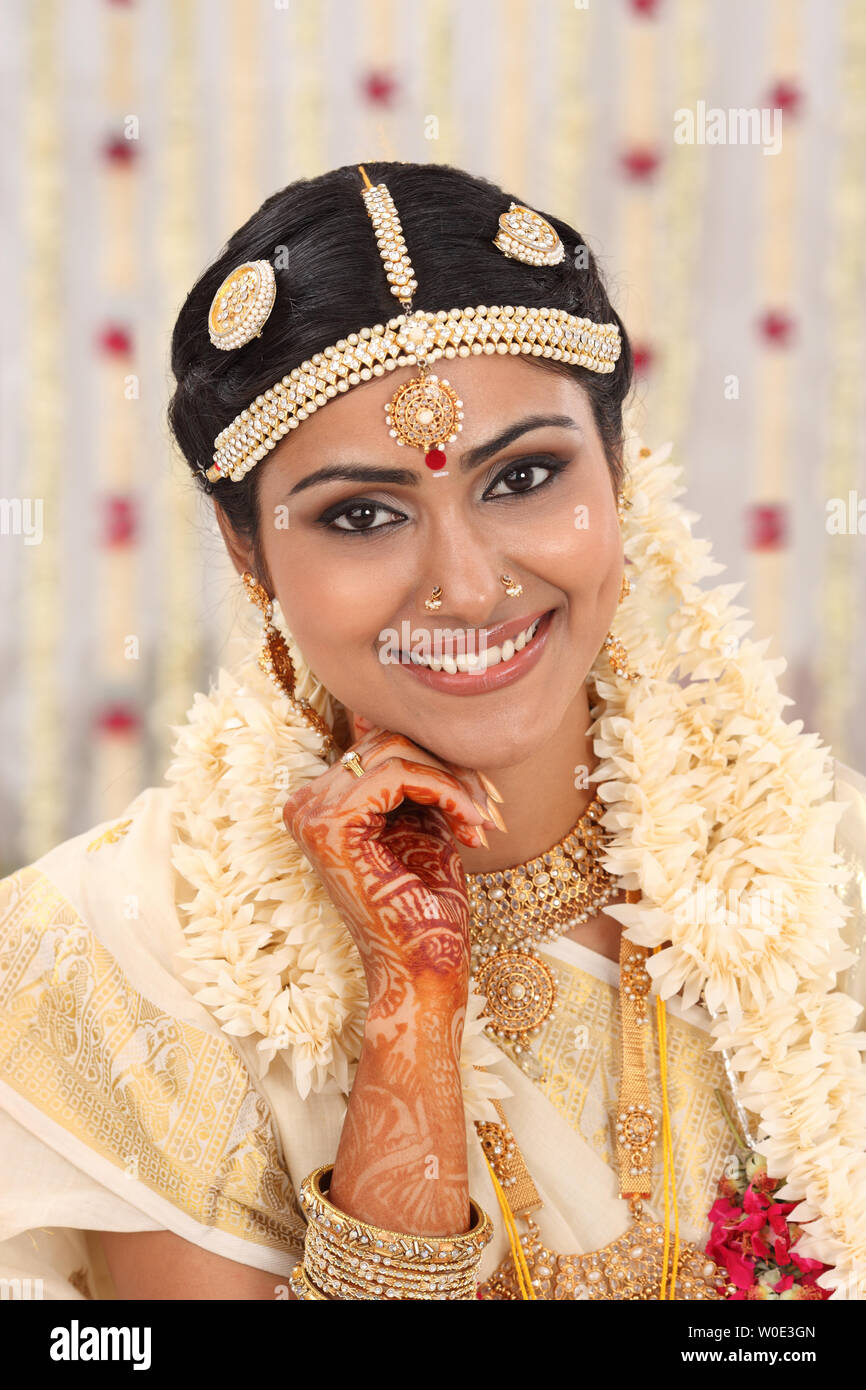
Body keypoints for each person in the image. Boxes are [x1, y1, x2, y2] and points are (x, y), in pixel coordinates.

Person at [1, 160, 865, 1302]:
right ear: (246, 551)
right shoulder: (119, 958)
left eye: (523, 477)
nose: (464, 587)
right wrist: (410, 1007)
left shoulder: (824, 866)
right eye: (361, 515)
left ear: (618, 472)